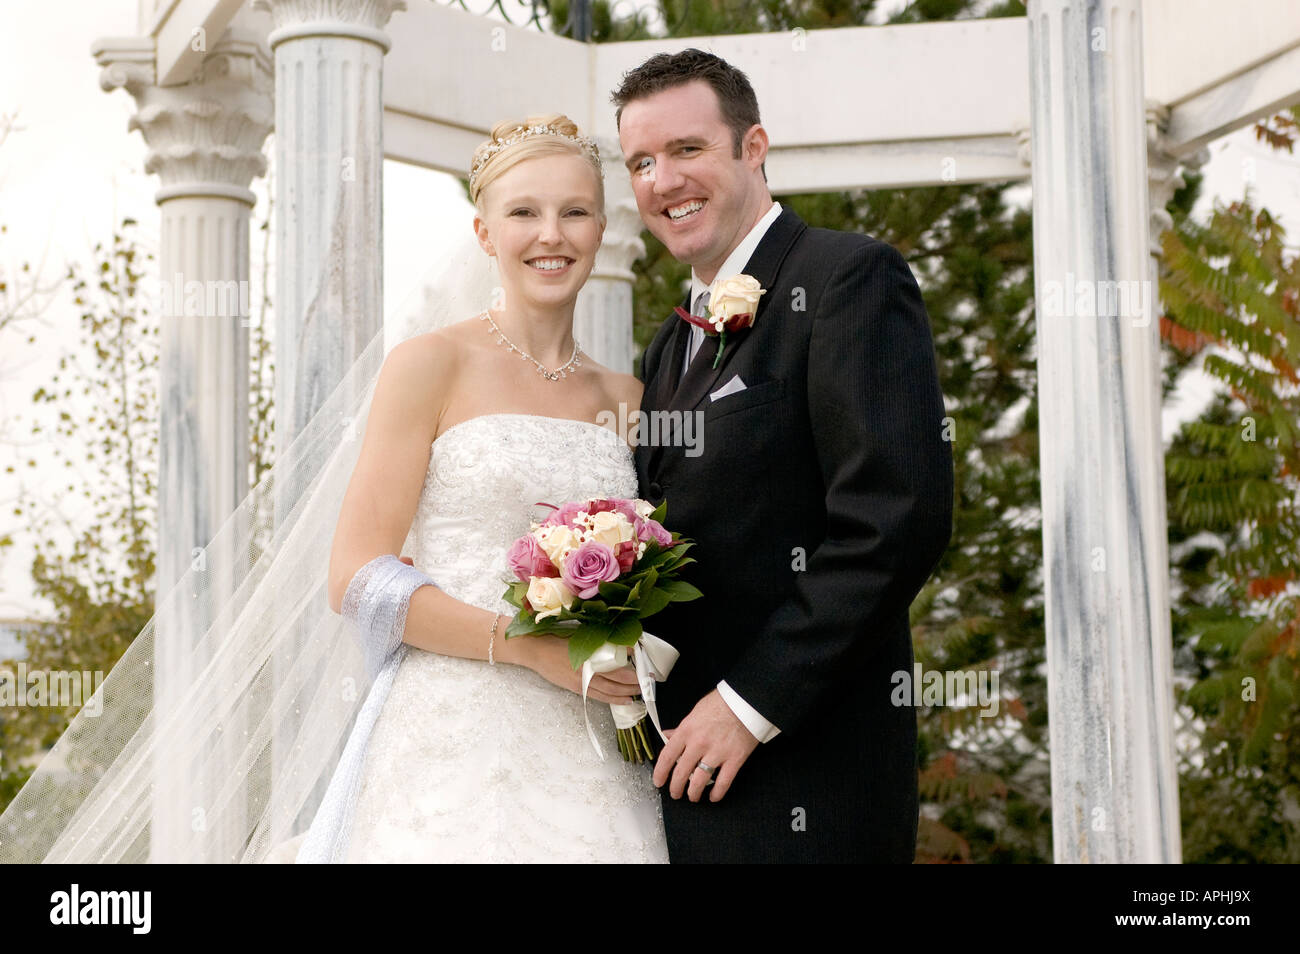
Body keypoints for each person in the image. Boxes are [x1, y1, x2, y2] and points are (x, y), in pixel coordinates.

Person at [0, 115, 667, 864]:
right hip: (452, 738)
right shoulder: (429, 365)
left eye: (574, 211)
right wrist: (528, 648)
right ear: (484, 233)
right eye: (524, 212)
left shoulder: (629, 397)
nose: (552, 233)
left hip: (596, 746)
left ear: (601, 226)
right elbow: (357, 576)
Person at [612, 49, 954, 863]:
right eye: (641, 162)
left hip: (808, 776)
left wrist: (748, 702)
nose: (664, 180)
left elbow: (896, 518)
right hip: (680, 781)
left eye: (688, 150)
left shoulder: (849, 279)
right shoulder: (670, 341)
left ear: (753, 147)